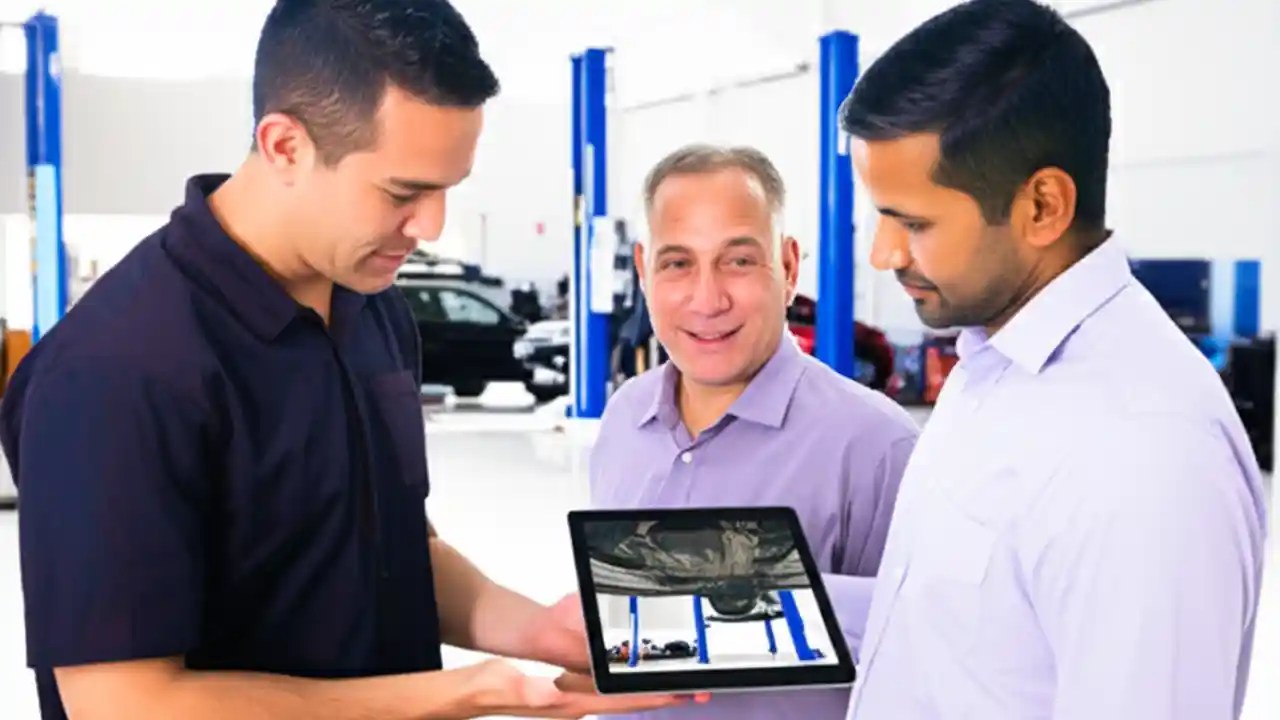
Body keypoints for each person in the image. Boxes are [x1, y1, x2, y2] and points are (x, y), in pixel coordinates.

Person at [0, 2, 704, 719]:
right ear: (284, 147)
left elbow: (394, 549)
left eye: (447, 190)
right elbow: (124, 704)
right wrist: (466, 692)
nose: (430, 227)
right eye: (403, 192)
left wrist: (536, 629)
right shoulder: (114, 372)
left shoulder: (373, 308)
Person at [837, 1, 1269, 718]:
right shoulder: (992, 360)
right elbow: (951, 625)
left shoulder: (1142, 456)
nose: (883, 255)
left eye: (913, 222)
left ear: (1042, 206)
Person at [589, 144, 921, 719]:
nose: (707, 299)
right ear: (644, 271)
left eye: (738, 261)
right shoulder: (625, 417)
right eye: (677, 263)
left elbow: (930, 649)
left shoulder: (873, 445)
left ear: (788, 268)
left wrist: (758, 600)